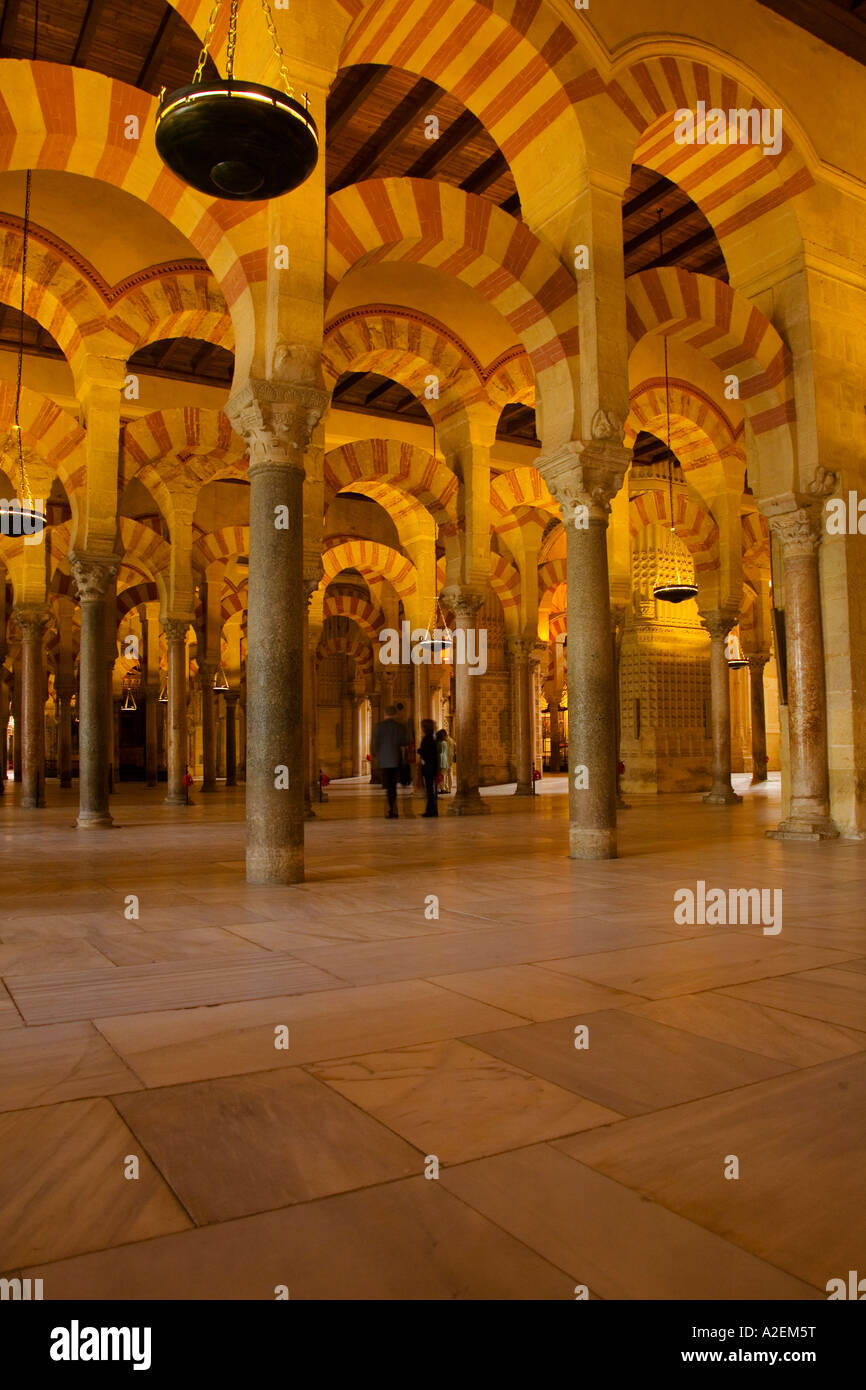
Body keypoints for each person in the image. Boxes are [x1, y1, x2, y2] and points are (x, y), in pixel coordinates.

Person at [371, 705, 404, 818]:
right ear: (395, 714)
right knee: (393, 785)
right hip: (396, 760)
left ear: (385, 714)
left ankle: (391, 809)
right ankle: (393, 807)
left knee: (388, 785)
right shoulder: (399, 726)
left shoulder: (379, 727)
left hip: (384, 761)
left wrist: (377, 755)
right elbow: (404, 741)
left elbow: (375, 744)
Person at [419, 718, 439, 817]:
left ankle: (431, 811)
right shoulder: (432, 738)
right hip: (432, 766)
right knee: (431, 789)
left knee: (430, 790)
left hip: (429, 767)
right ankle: (432, 810)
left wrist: (420, 751)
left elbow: (426, 753)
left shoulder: (428, 738)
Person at [436, 728, 451, 794]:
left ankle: (438, 788)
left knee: (438, 775)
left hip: (438, 760)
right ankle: (442, 788)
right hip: (445, 760)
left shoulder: (437, 743)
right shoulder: (445, 743)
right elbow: (448, 752)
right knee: (443, 776)